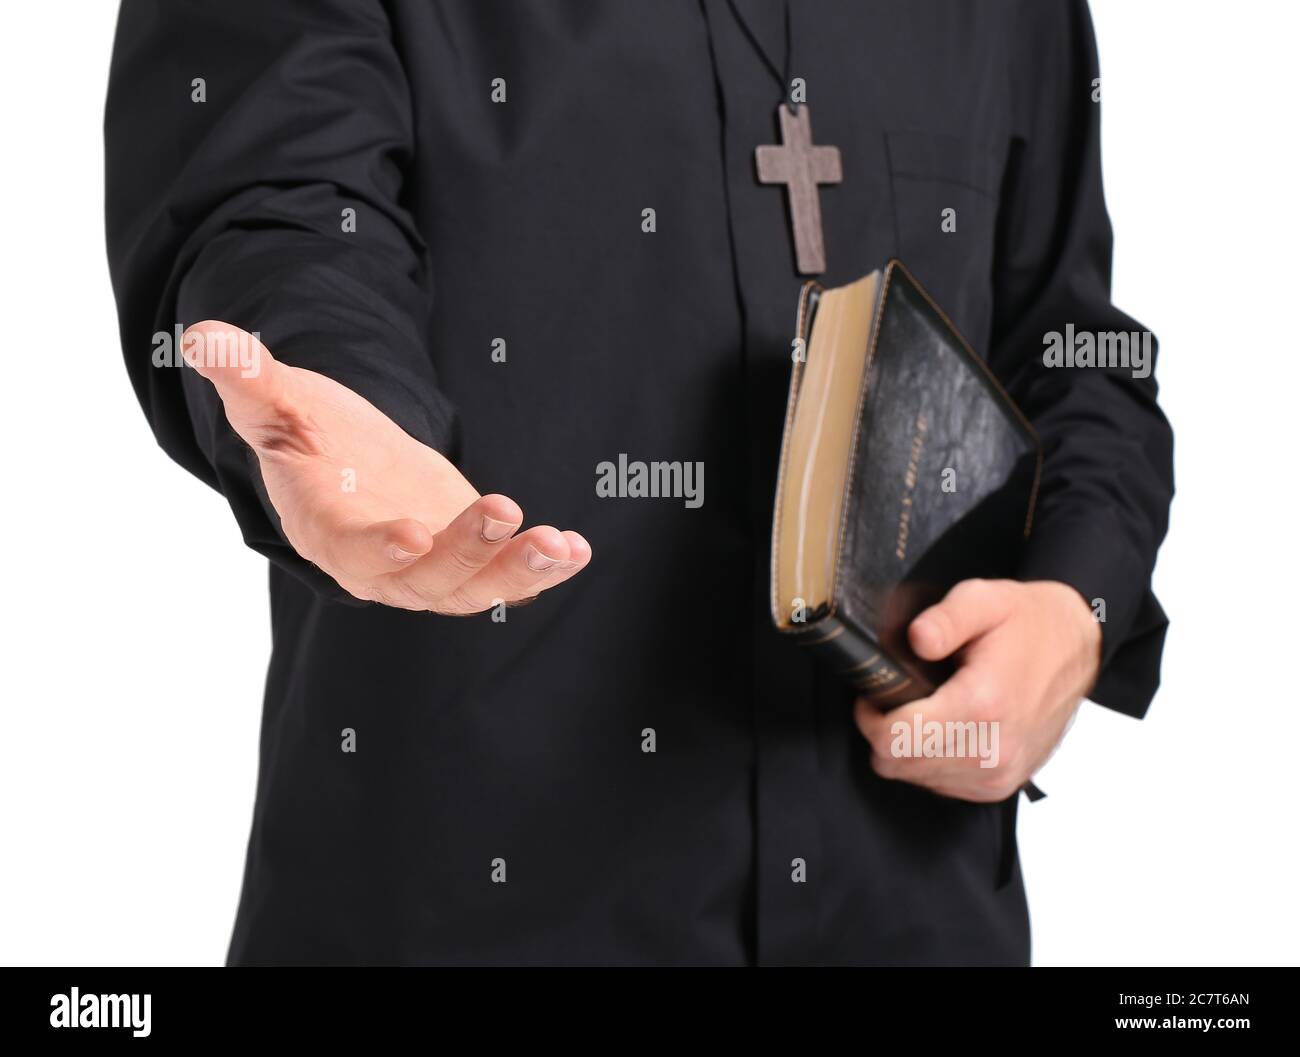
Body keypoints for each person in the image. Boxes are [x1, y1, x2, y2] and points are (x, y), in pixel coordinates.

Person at [105, 0, 1173, 965]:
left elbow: (1067, 343)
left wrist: (1073, 604)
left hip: (918, 917)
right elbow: (284, 209)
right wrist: (340, 394)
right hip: (466, 914)